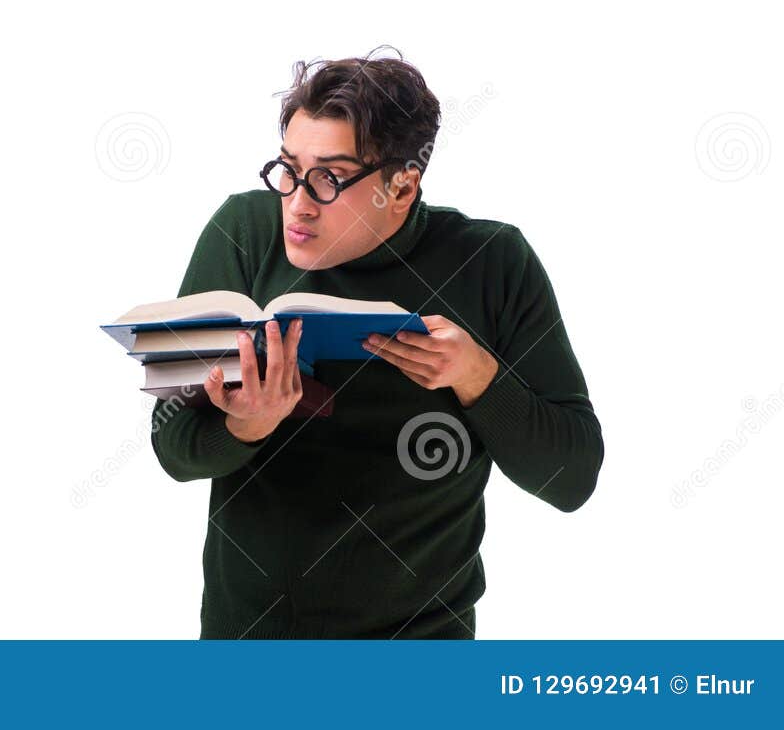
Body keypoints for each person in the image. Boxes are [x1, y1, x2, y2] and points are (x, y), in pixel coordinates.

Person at [151, 51, 603, 639]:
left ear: (402, 185)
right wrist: (245, 427)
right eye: (288, 168)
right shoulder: (241, 233)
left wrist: (478, 378)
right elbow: (172, 446)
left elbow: (572, 478)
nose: (298, 201)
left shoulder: (493, 262)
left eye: (329, 178)